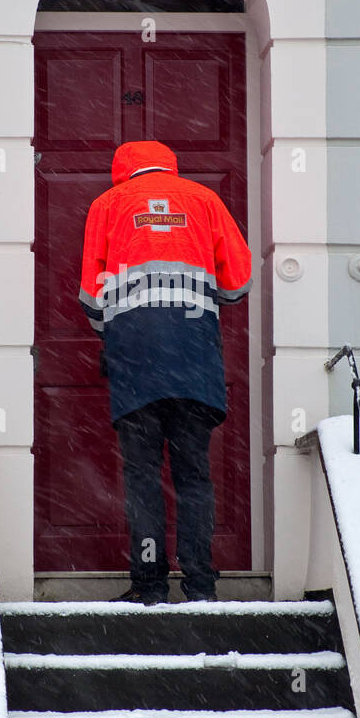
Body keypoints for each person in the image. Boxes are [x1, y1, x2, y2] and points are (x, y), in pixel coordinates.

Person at [78, 140, 252, 605]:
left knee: (143, 476)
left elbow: (91, 299)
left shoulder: (107, 205)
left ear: (122, 170)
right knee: (194, 476)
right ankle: (200, 583)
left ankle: (150, 583)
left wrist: (118, 328)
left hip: (135, 365)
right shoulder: (205, 201)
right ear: (171, 166)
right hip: (194, 361)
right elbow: (238, 284)